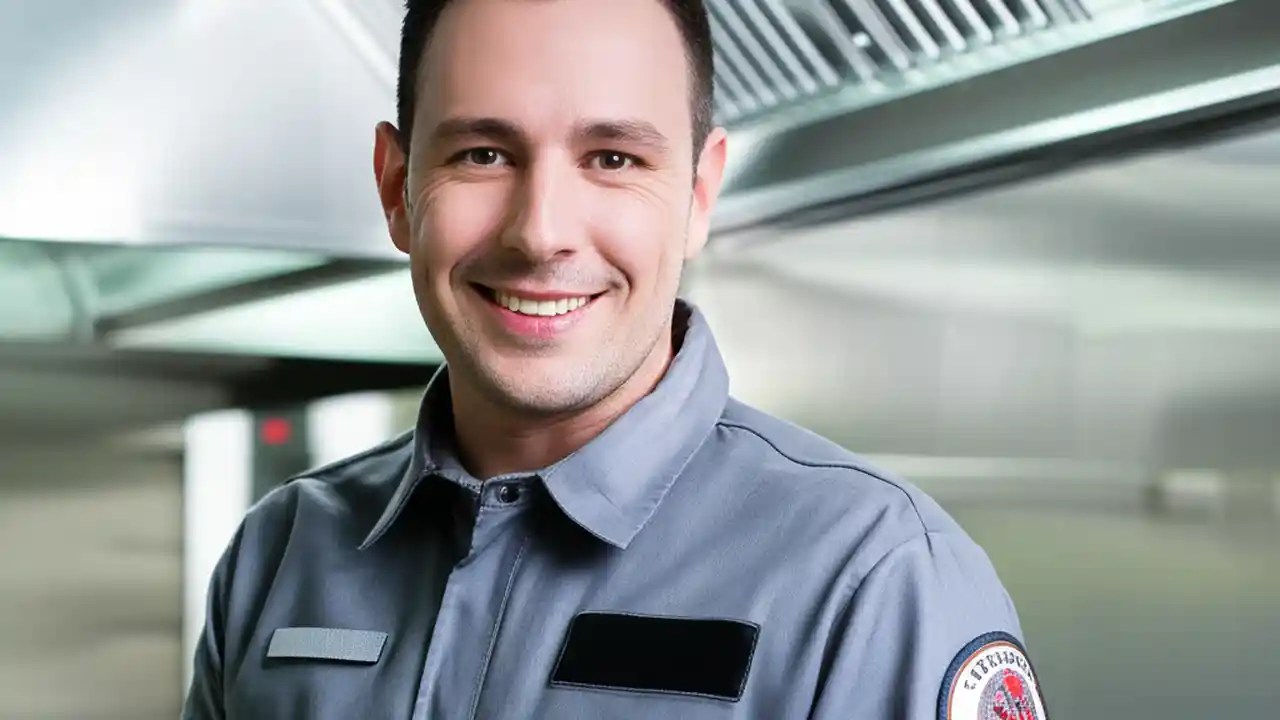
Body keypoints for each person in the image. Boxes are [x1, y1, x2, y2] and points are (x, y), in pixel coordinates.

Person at [183, 0, 1048, 717]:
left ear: (699, 194)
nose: (542, 232)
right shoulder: (279, 557)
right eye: (483, 153)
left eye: (613, 158)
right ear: (396, 188)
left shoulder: (877, 581)